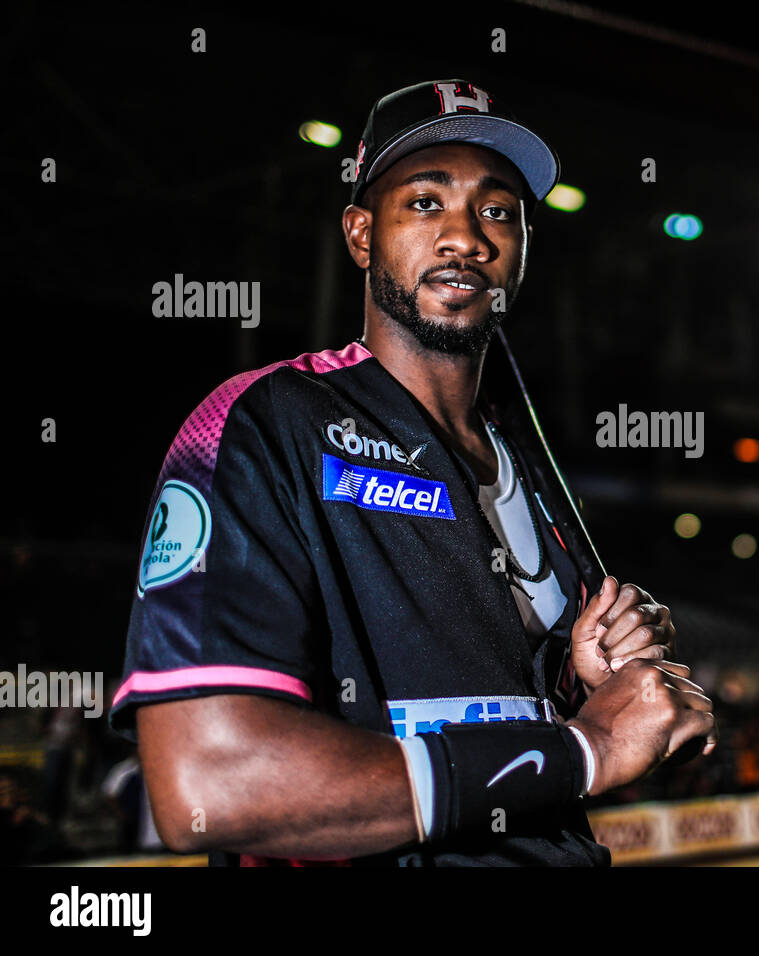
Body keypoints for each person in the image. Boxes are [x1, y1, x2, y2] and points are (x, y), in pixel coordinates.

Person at [108, 79, 716, 866]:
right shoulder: (266, 422)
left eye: (497, 210)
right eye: (425, 202)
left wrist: (579, 684)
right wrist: (586, 747)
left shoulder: (528, 460)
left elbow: (499, 724)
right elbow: (212, 784)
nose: (466, 237)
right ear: (362, 235)